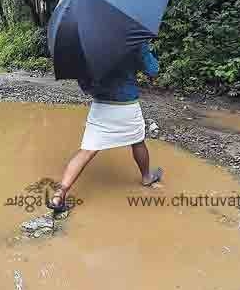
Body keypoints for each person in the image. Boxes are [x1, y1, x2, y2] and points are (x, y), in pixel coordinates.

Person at [47, 41, 163, 213]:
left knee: (86, 150)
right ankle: (146, 177)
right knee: (138, 142)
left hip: (100, 105)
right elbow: (153, 70)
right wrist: (145, 51)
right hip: (127, 105)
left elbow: (84, 83)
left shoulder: (87, 43)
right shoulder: (133, 37)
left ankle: (59, 195)